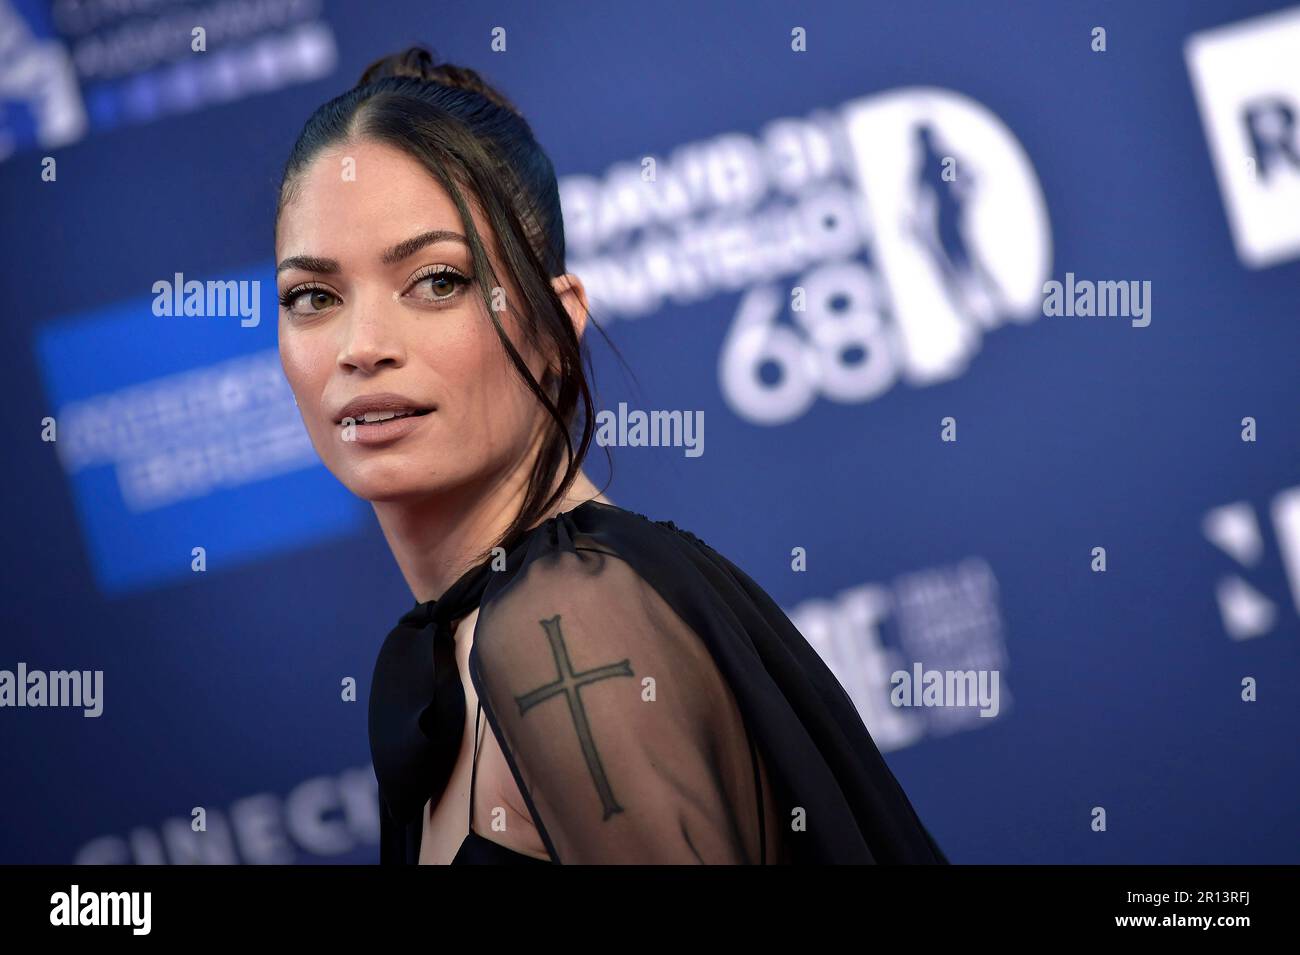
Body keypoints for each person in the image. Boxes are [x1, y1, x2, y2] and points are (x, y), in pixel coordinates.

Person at [274, 45, 949, 865]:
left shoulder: (565, 622)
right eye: (314, 296)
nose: (361, 345)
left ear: (557, 326)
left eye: (438, 280)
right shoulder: (477, 640)